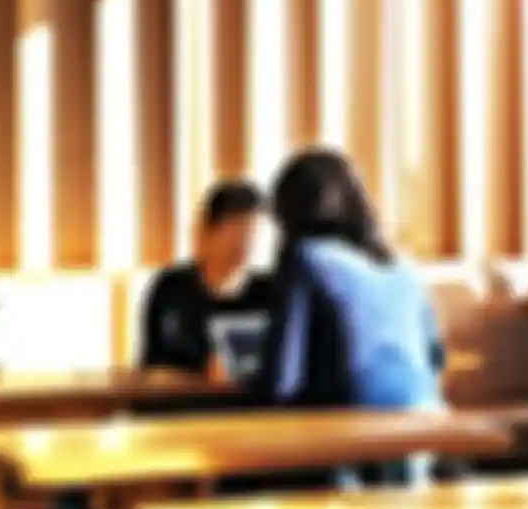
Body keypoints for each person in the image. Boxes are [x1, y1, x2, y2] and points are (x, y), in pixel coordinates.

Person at [251, 149, 445, 485]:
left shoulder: (308, 260)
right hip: (422, 423)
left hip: (345, 438)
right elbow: (435, 358)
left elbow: (285, 381)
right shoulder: (401, 266)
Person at [139, 181, 274, 378]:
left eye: (251, 234)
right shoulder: (171, 288)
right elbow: (154, 365)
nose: (243, 244)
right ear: (206, 232)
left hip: (248, 405)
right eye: (235, 232)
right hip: (184, 403)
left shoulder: (269, 292)